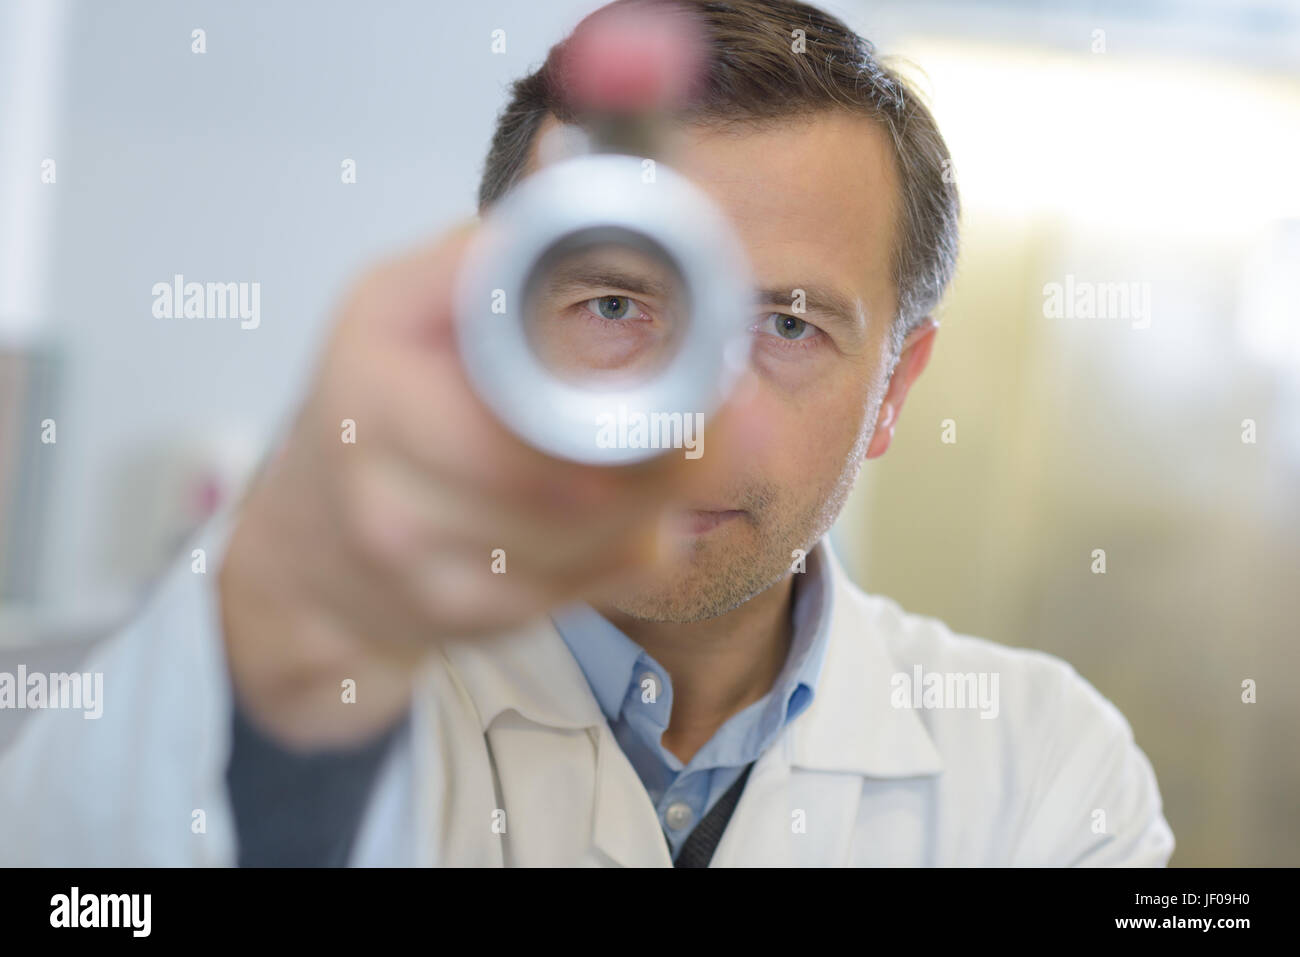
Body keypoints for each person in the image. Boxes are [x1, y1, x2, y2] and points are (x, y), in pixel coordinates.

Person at [0, 0, 1174, 867]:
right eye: (617, 304)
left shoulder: (1045, 770)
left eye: (787, 322)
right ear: (492, 315)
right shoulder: (338, 681)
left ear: (897, 388)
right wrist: (295, 605)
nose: (694, 413)